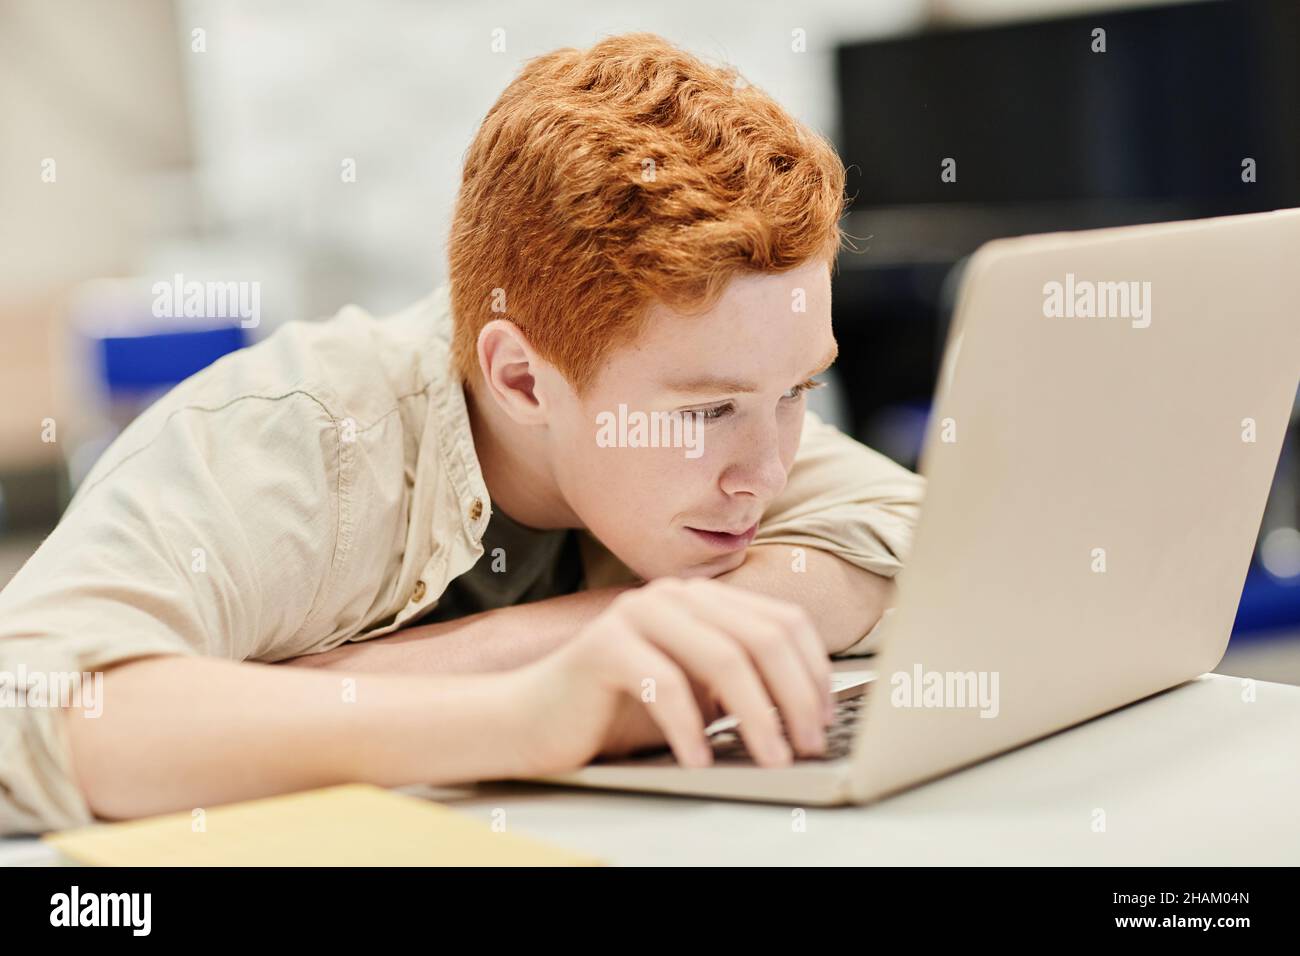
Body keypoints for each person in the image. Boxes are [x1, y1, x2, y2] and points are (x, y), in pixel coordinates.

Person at [0, 33, 924, 834]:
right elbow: (30, 707)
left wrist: (498, 654)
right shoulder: (295, 437)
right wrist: (525, 716)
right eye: (705, 414)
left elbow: (907, 534)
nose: (764, 471)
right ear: (522, 378)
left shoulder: (726, 399)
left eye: (801, 388)